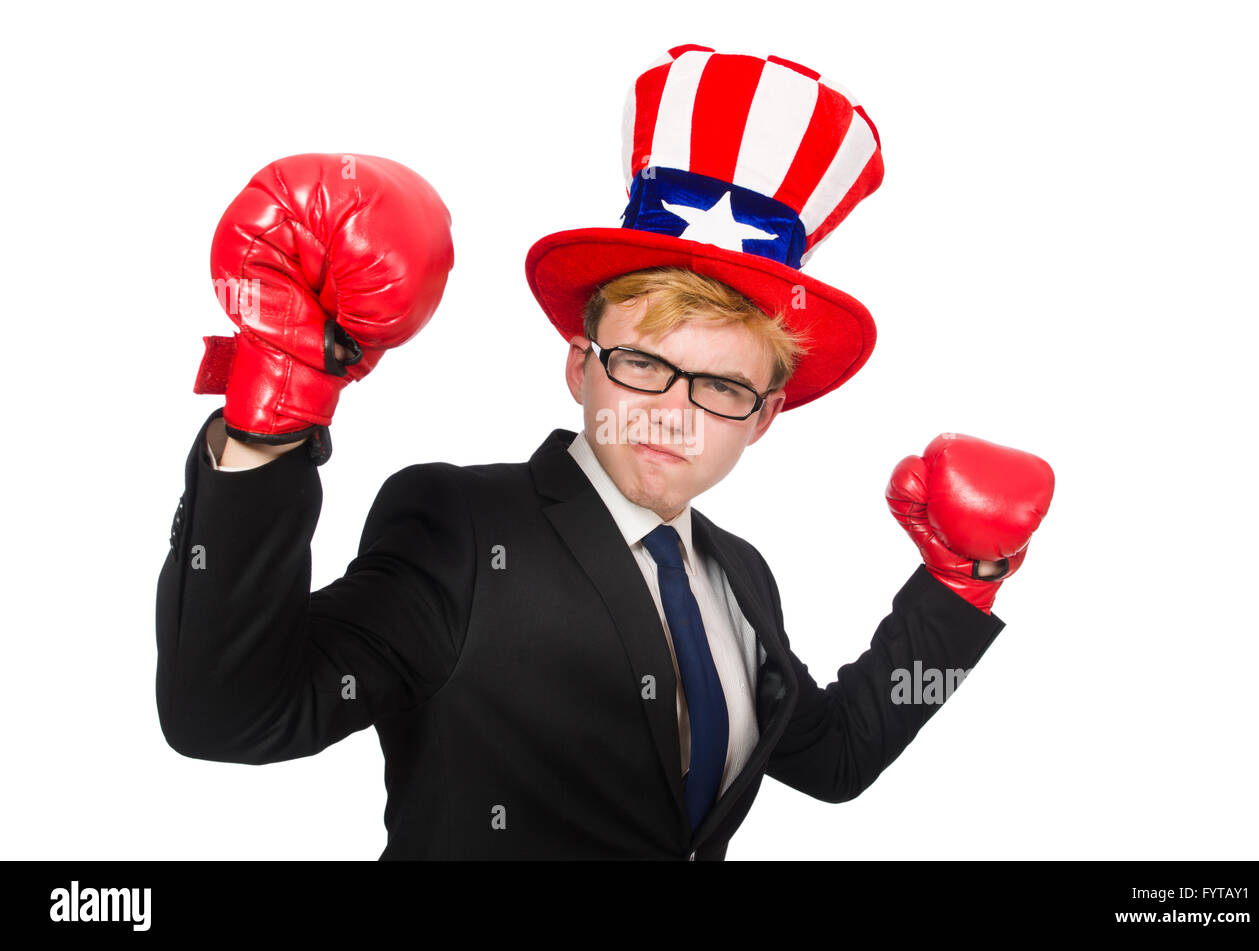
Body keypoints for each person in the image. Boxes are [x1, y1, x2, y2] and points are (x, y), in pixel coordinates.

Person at [157, 46, 1054, 861]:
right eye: (642, 364)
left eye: (720, 387)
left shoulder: (742, 578)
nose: (673, 411)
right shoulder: (462, 528)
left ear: (763, 417)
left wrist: (959, 584)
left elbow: (835, 758)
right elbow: (228, 713)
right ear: (581, 367)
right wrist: (273, 411)